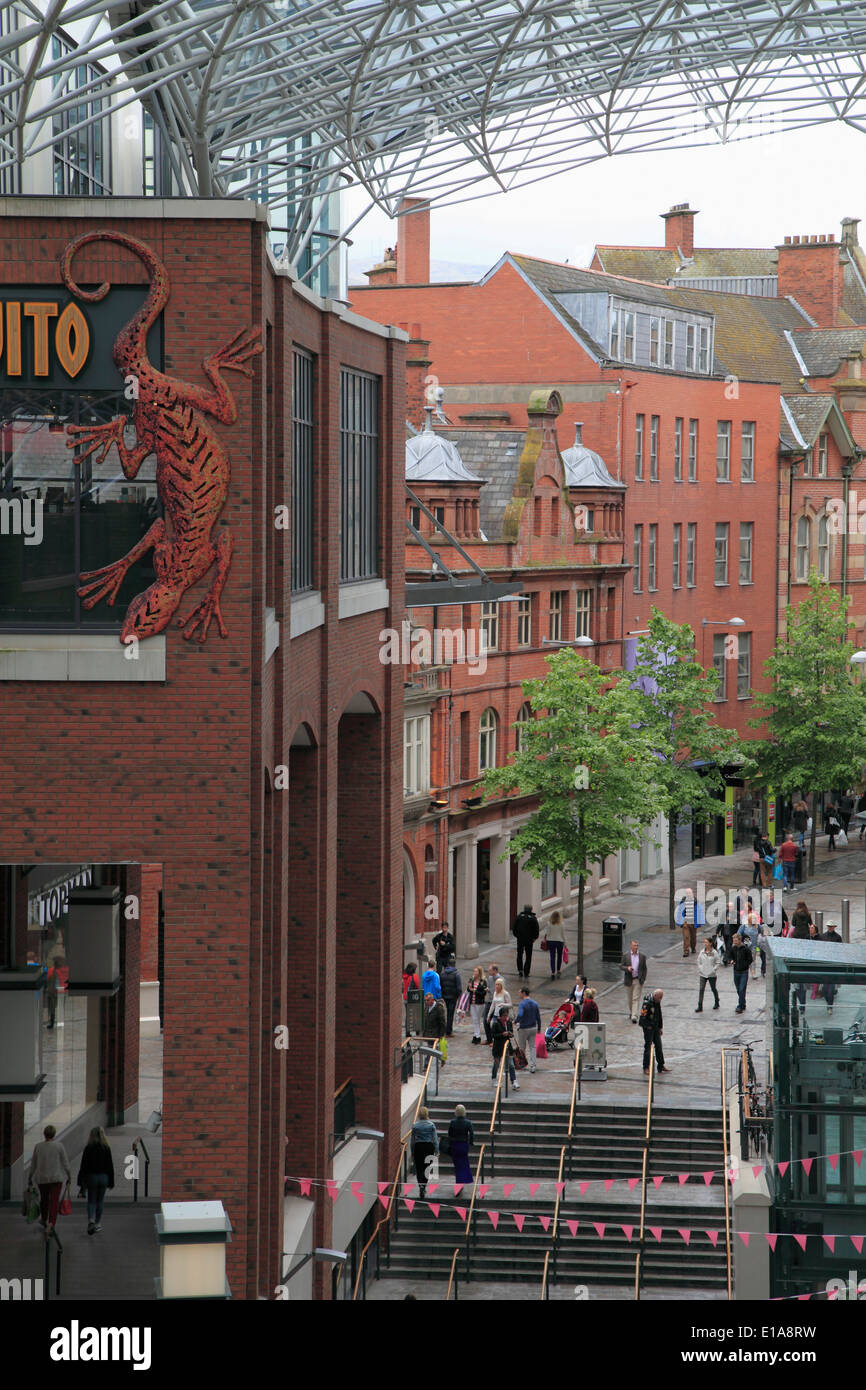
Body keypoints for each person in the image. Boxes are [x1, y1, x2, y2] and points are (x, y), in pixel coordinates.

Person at [26, 1124, 71, 1234]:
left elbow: (34, 1165)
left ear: (44, 1134)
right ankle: (51, 1223)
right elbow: (65, 1163)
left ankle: (44, 1219)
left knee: (44, 1199)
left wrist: (30, 1177)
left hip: (42, 1179)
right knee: (54, 1202)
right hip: (56, 1179)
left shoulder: (38, 1146)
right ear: (54, 1134)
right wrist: (69, 1175)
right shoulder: (59, 1146)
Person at [76, 1126, 115, 1235]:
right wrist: (111, 1181)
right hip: (103, 1177)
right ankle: (98, 1223)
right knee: (100, 1200)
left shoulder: (88, 1148)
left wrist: (81, 1182)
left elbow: (83, 1166)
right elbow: (110, 1166)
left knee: (91, 1200)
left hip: (91, 1177)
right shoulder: (106, 1148)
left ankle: (91, 1221)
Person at [639, 989, 670, 1075]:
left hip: (655, 1026)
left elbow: (659, 1014)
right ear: (655, 996)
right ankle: (646, 1067)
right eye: (660, 998)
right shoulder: (647, 1003)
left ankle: (661, 1065)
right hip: (649, 1028)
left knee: (659, 1046)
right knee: (648, 1047)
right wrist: (647, 1026)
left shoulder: (657, 1001)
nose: (660, 1000)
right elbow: (642, 1017)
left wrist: (660, 1027)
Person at [411, 1106, 439, 1198]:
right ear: (427, 1114)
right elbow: (435, 1139)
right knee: (426, 1168)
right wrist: (436, 1150)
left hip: (418, 1147)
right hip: (428, 1147)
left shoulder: (415, 1126)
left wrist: (412, 1151)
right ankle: (424, 1186)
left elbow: (412, 1141)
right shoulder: (431, 1125)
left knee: (419, 1168)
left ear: (419, 1115)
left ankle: (421, 1187)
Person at [491, 1006, 518, 1089]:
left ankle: (514, 1081)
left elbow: (512, 1033)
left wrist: (510, 1034)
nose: (506, 1017)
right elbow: (493, 1035)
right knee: (496, 1063)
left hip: (507, 1047)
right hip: (498, 1047)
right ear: (500, 1016)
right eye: (504, 1016)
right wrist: (502, 1034)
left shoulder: (508, 1022)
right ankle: (494, 1078)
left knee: (511, 1065)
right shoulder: (496, 1023)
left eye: (507, 1015)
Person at [515, 986, 542, 1073]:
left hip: (523, 1028)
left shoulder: (522, 1004)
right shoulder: (535, 1003)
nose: (519, 994)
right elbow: (538, 1017)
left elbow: (520, 1014)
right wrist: (539, 1028)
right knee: (532, 1047)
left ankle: (522, 1063)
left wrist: (516, 1021)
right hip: (533, 1027)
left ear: (523, 993)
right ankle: (533, 1065)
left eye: (520, 992)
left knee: (522, 1047)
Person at [621, 940, 647, 1023]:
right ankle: (632, 1012)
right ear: (631, 946)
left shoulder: (642, 956)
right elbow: (621, 966)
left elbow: (644, 968)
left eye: (637, 945)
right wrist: (627, 968)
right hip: (629, 980)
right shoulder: (626, 956)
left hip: (637, 980)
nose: (636, 947)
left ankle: (634, 1016)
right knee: (630, 999)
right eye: (634, 945)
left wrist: (642, 979)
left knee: (635, 999)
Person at [512, 903, 540, 979]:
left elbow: (514, 928)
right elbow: (536, 930)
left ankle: (520, 970)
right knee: (528, 956)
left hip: (520, 939)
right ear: (531, 910)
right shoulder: (533, 918)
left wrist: (517, 936)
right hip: (529, 940)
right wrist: (534, 938)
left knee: (519, 954)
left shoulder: (519, 917)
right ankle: (526, 971)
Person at [448, 1105, 474, 1184]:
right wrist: (471, 1142)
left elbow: (450, 1134)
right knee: (464, 1162)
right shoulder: (468, 1122)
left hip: (455, 1145)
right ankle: (463, 1180)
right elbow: (472, 1133)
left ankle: (459, 1181)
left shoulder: (452, 1122)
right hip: (463, 1145)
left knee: (457, 1164)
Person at [675, 886, 704, 956]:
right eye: (687, 893)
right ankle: (686, 951)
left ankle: (693, 947)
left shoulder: (696, 902)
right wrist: (679, 921)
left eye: (689, 893)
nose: (688, 894)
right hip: (685, 922)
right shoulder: (683, 902)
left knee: (693, 937)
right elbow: (679, 912)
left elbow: (700, 912)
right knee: (686, 937)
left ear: (692, 893)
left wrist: (700, 921)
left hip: (693, 922)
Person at [695, 937, 722, 1012]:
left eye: (706, 942)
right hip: (703, 974)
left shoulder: (714, 953)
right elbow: (699, 961)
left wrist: (713, 970)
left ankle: (717, 1001)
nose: (705, 944)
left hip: (711, 975)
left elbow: (718, 962)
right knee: (701, 989)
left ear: (710, 943)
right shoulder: (702, 952)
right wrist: (701, 968)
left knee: (713, 988)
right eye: (704, 942)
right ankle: (700, 1005)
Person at [439, 955, 463, 1036]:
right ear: (454, 965)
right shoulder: (456, 974)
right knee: (450, 1013)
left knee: (447, 1012)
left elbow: (441, 985)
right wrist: (460, 997)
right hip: (453, 996)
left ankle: (446, 1029)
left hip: (445, 996)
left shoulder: (442, 973)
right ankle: (449, 1030)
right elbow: (459, 987)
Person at [821, 922, 842, 1012]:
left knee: (830, 989)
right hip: (825, 964)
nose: (830, 928)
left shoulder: (837, 937)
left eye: (831, 926)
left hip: (833, 965)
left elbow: (840, 949)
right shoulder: (823, 936)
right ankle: (829, 1004)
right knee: (825, 990)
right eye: (829, 926)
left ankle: (830, 1006)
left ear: (834, 927)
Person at [731, 933, 753, 1014]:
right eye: (733, 940)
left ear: (739, 940)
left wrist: (745, 965)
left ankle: (740, 1006)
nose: (734, 942)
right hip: (736, 971)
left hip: (744, 972)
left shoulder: (745, 949)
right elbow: (730, 956)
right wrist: (731, 960)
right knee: (738, 989)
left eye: (735, 940)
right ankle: (743, 1003)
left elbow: (750, 959)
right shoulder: (733, 948)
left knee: (741, 989)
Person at [424, 992, 448, 1062]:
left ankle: (426, 1064)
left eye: (428, 1000)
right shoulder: (426, 1007)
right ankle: (441, 1059)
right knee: (433, 1049)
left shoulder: (439, 1008)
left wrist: (441, 1034)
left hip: (435, 1033)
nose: (426, 1002)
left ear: (432, 999)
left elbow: (442, 1022)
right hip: (428, 1034)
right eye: (425, 1000)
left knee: (430, 1049)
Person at [482, 962, 503, 1044]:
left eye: (490, 970)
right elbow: (490, 988)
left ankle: (495, 1040)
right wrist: (488, 989)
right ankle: (489, 1038)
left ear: (495, 970)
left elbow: (500, 991)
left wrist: (490, 990)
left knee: (496, 1022)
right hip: (490, 1001)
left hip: (497, 1003)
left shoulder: (501, 979)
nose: (488, 972)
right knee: (485, 1020)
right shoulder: (490, 978)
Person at [467, 966, 487, 1044]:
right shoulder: (471, 980)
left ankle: (477, 1036)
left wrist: (475, 991)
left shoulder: (483, 982)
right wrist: (470, 988)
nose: (474, 973)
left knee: (477, 1019)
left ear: (479, 973)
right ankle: (477, 1035)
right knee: (475, 1019)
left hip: (479, 1003)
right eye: (474, 971)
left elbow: (483, 993)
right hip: (472, 1002)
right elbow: (468, 989)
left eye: (476, 971)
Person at [544, 910, 566, 980]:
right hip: (560, 941)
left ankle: (553, 972)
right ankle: (558, 970)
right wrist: (565, 943)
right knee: (559, 956)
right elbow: (563, 934)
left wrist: (546, 940)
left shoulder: (549, 923)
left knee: (552, 957)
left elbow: (547, 933)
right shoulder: (562, 924)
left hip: (551, 941)